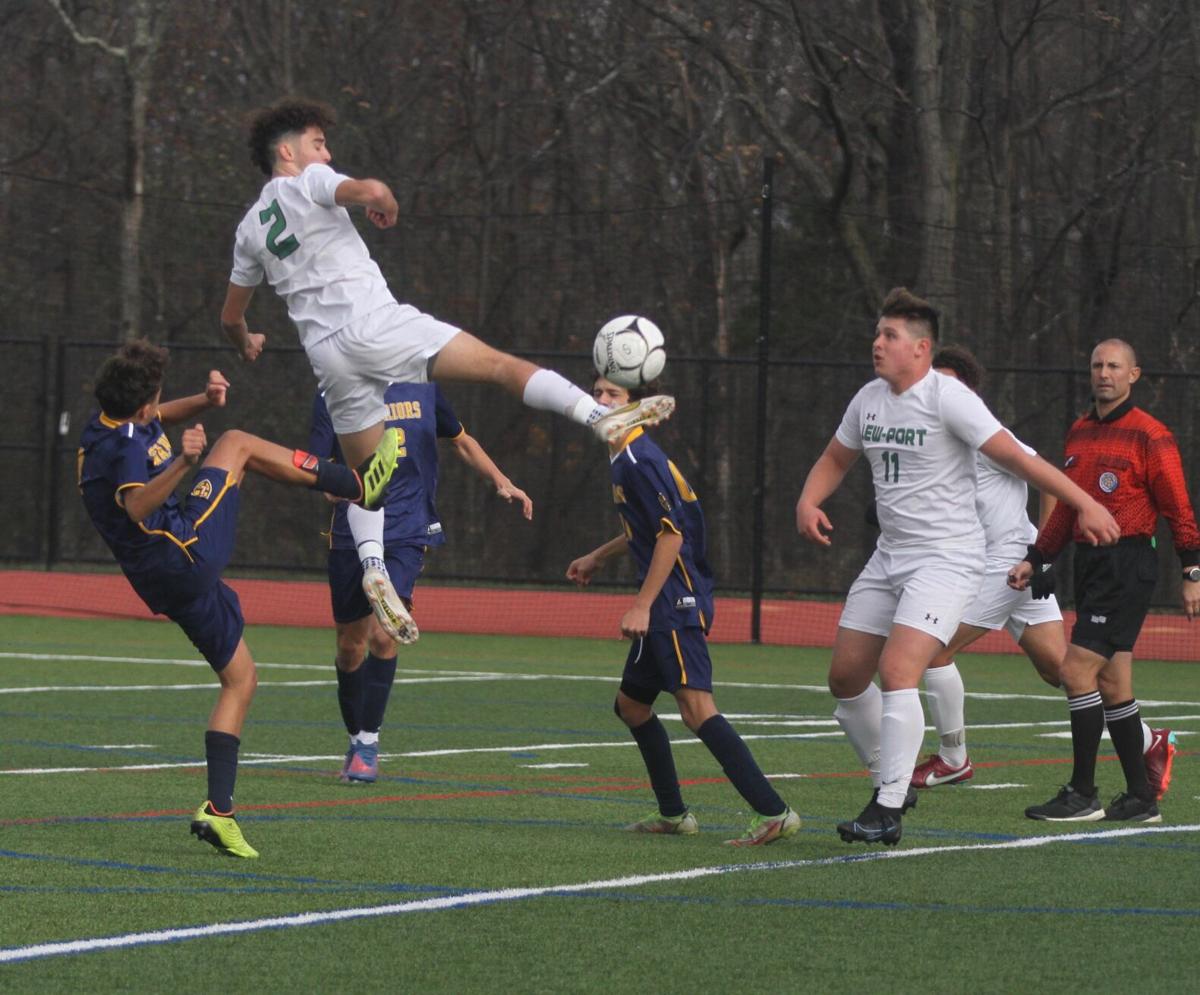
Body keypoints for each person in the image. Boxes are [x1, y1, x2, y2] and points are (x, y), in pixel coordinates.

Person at [220, 98, 672, 646]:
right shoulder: (308, 180)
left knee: (369, 484)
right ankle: (601, 417)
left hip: (329, 358)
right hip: (376, 326)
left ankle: (374, 569)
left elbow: (230, 316)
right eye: (318, 143)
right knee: (504, 368)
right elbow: (369, 191)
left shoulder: (249, 229)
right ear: (288, 151)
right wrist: (380, 201)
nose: (327, 152)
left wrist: (247, 340)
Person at [794, 288, 1119, 846]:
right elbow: (834, 458)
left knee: (901, 670)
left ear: (920, 349)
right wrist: (808, 500)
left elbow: (1022, 461)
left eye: (889, 336)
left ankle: (888, 806)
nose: (877, 343)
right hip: (889, 557)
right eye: (878, 333)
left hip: (947, 559)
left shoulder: (949, 398)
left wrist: (1085, 504)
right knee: (846, 677)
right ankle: (892, 777)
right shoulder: (868, 399)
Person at [77, 340, 399, 859]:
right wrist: (184, 462)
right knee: (239, 444)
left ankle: (219, 811)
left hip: (169, 576)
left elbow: (157, 413)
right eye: (155, 399)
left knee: (241, 678)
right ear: (138, 408)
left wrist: (202, 400)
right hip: (183, 552)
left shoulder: (111, 423)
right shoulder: (123, 448)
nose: (160, 406)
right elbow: (136, 506)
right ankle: (359, 485)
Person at [910, 346, 1177, 798]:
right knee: (1064, 672)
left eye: (951, 384)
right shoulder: (933, 441)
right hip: (990, 565)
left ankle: (953, 759)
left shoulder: (984, 434)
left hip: (1009, 563)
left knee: (932, 650)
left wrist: (1042, 557)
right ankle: (1150, 741)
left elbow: (1050, 479)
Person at [567, 376, 800, 846]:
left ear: (634, 404)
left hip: (675, 599)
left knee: (696, 709)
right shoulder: (622, 456)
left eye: (612, 394)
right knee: (631, 706)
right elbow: (647, 529)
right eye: (597, 392)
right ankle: (673, 814)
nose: (601, 401)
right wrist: (598, 556)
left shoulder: (637, 457)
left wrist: (643, 605)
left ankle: (774, 812)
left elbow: (671, 536)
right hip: (665, 599)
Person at [1012, 338, 1199, 823]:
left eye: (1115, 366)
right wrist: (1037, 556)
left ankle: (1082, 793)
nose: (1104, 373)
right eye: (1097, 365)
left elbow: (1178, 506)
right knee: (1113, 683)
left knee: (1076, 671)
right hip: (1090, 567)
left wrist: (1192, 570)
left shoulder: (1150, 435)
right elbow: (1069, 507)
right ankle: (1141, 798)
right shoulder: (1079, 432)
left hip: (1128, 565)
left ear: (1133, 375)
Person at [308, 382, 533, 782]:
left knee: (383, 635)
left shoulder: (424, 388)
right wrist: (338, 484)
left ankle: (368, 745)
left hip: (409, 529)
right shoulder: (335, 390)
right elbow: (320, 466)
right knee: (349, 647)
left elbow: (461, 440)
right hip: (353, 533)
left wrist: (502, 479)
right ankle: (356, 736)